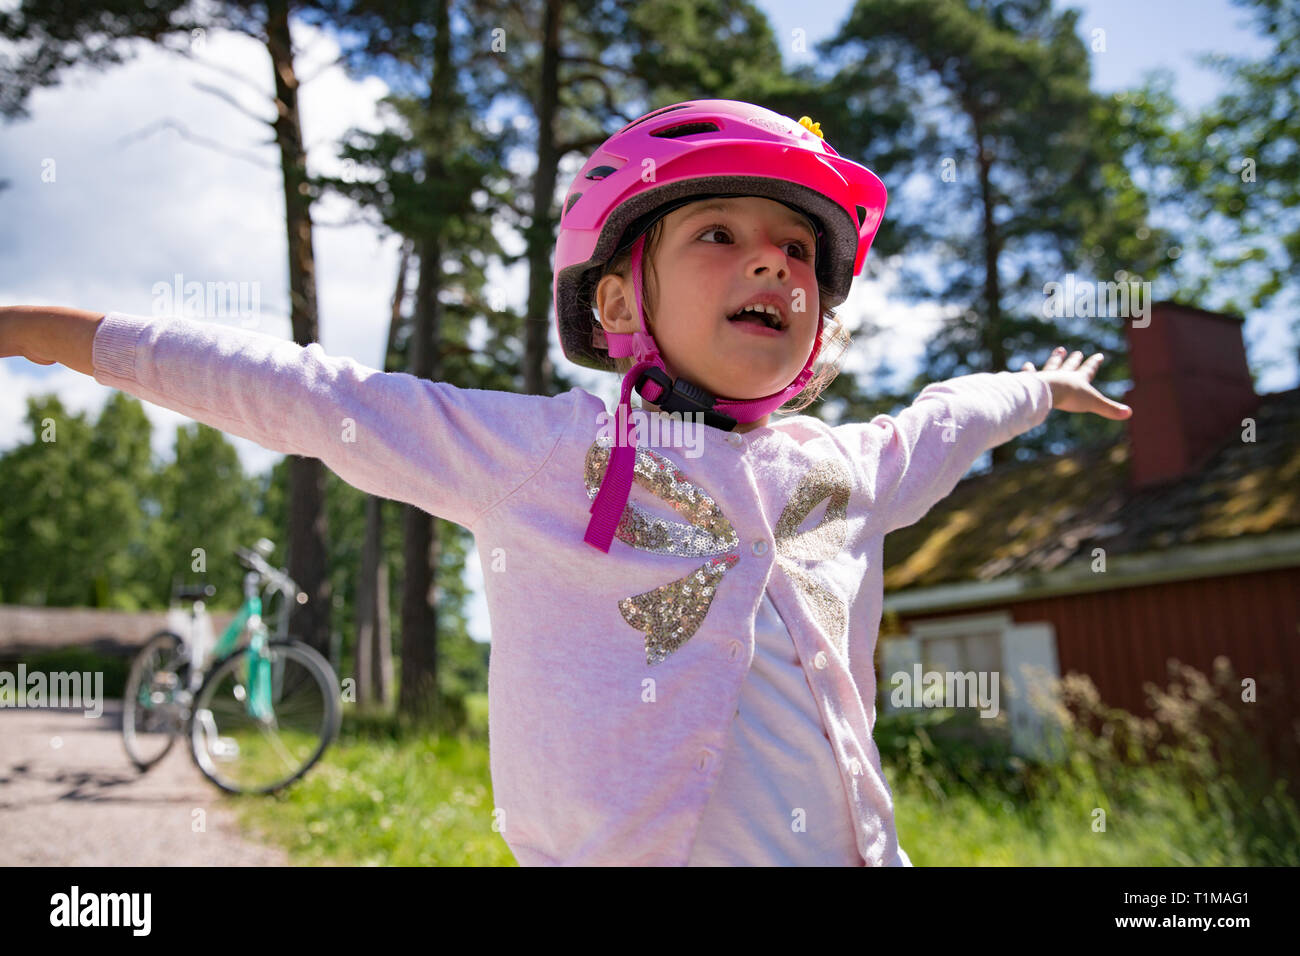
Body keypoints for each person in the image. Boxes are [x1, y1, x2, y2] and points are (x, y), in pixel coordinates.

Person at [0, 98, 1132, 866]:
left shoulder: (846, 467)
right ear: (618, 301)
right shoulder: (544, 456)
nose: (772, 261)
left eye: (797, 250)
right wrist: (54, 334)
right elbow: (306, 392)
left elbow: (949, 416)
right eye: (721, 232)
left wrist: (1036, 384)